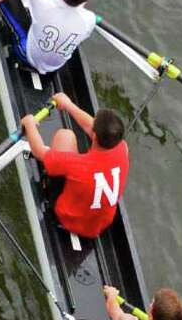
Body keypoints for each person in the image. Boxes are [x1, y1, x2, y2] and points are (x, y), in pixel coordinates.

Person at [20, 93, 129, 240]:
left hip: (66, 219)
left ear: (95, 136)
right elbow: (92, 127)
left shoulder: (78, 165)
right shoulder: (123, 149)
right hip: (95, 229)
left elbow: (39, 151)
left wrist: (29, 124)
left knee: (65, 136)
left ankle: (48, 185)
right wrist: (68, 105)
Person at [0, 0, 96, 75]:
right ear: (86, 0)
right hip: (53, 68)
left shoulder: (42, 0)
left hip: (27, 55)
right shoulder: (90, 19)